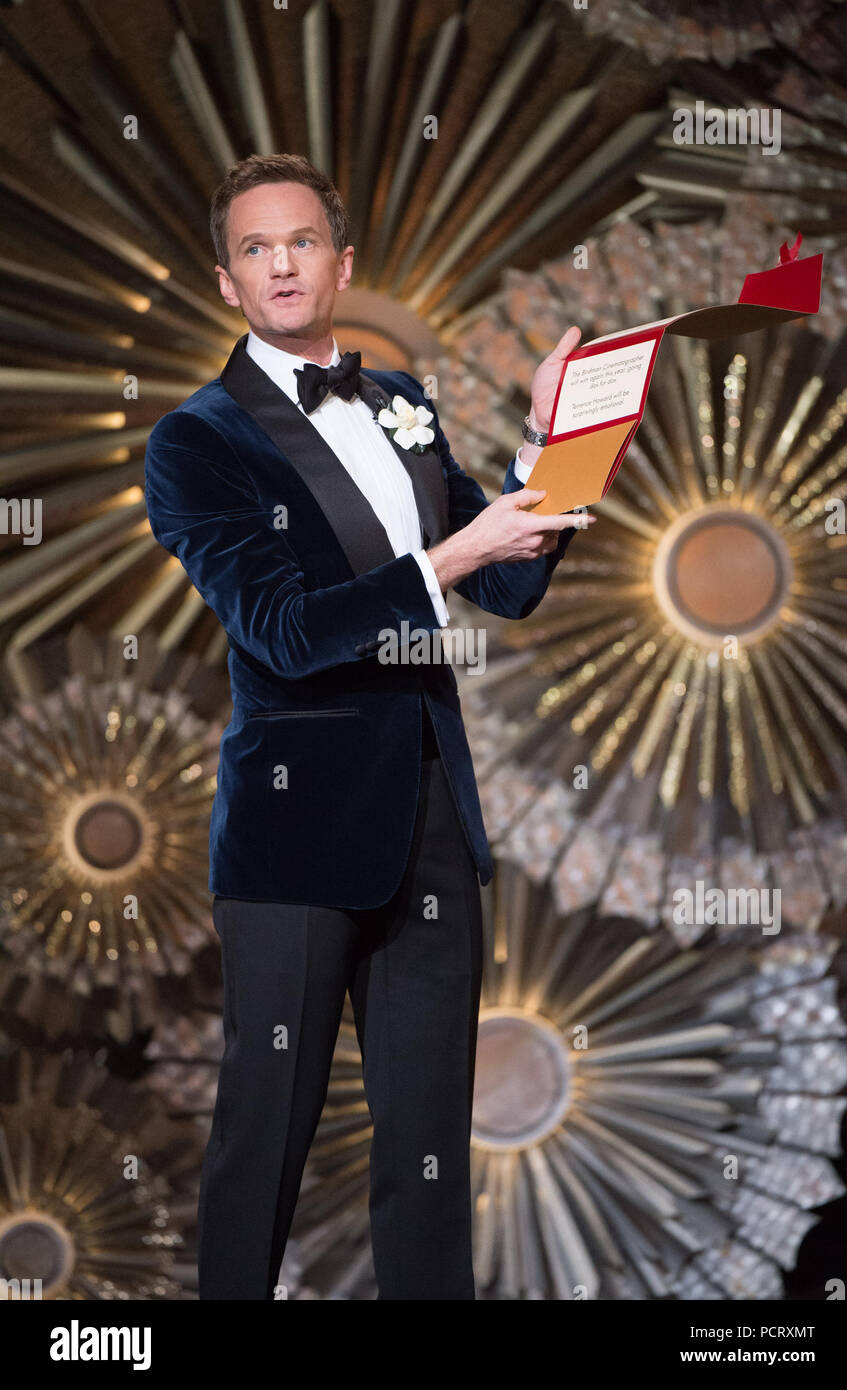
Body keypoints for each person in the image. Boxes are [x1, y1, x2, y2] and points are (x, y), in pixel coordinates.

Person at [144, 153, 592, 1301]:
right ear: (227, 282)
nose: (281, 262)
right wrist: (447, 556)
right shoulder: (196, 441)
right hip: (297, 839)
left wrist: (553, 441)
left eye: (301, 242)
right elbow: (288, 631)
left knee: (430, 1149)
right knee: (263, 1138)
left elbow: (506, 588)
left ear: (341, 263)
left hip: (432, 814)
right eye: (256, 248)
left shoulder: (399, 396)